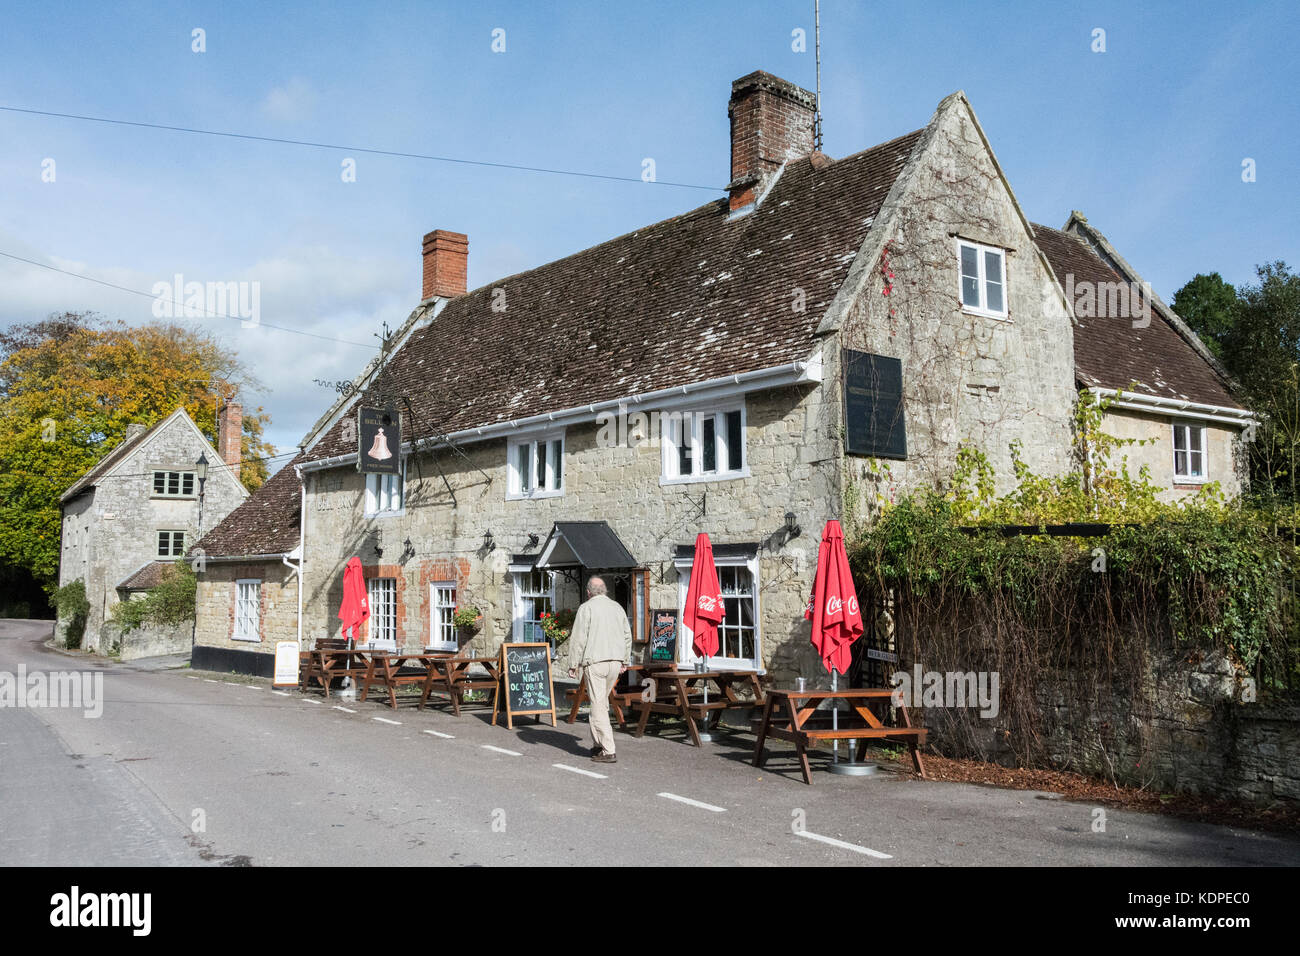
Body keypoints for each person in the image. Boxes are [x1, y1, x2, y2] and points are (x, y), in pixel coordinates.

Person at [566, 576, 631, 763]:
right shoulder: (617, 607)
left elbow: (579, 638)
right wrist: (625, 660)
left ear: (588, 592)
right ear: (605, 590)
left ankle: (608, 749)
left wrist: (573, 664)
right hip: (615, 662)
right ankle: (597, 746)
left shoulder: (586, 608)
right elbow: (627, 635)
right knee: (601, 702)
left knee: (597, 706)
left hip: (595, 661)